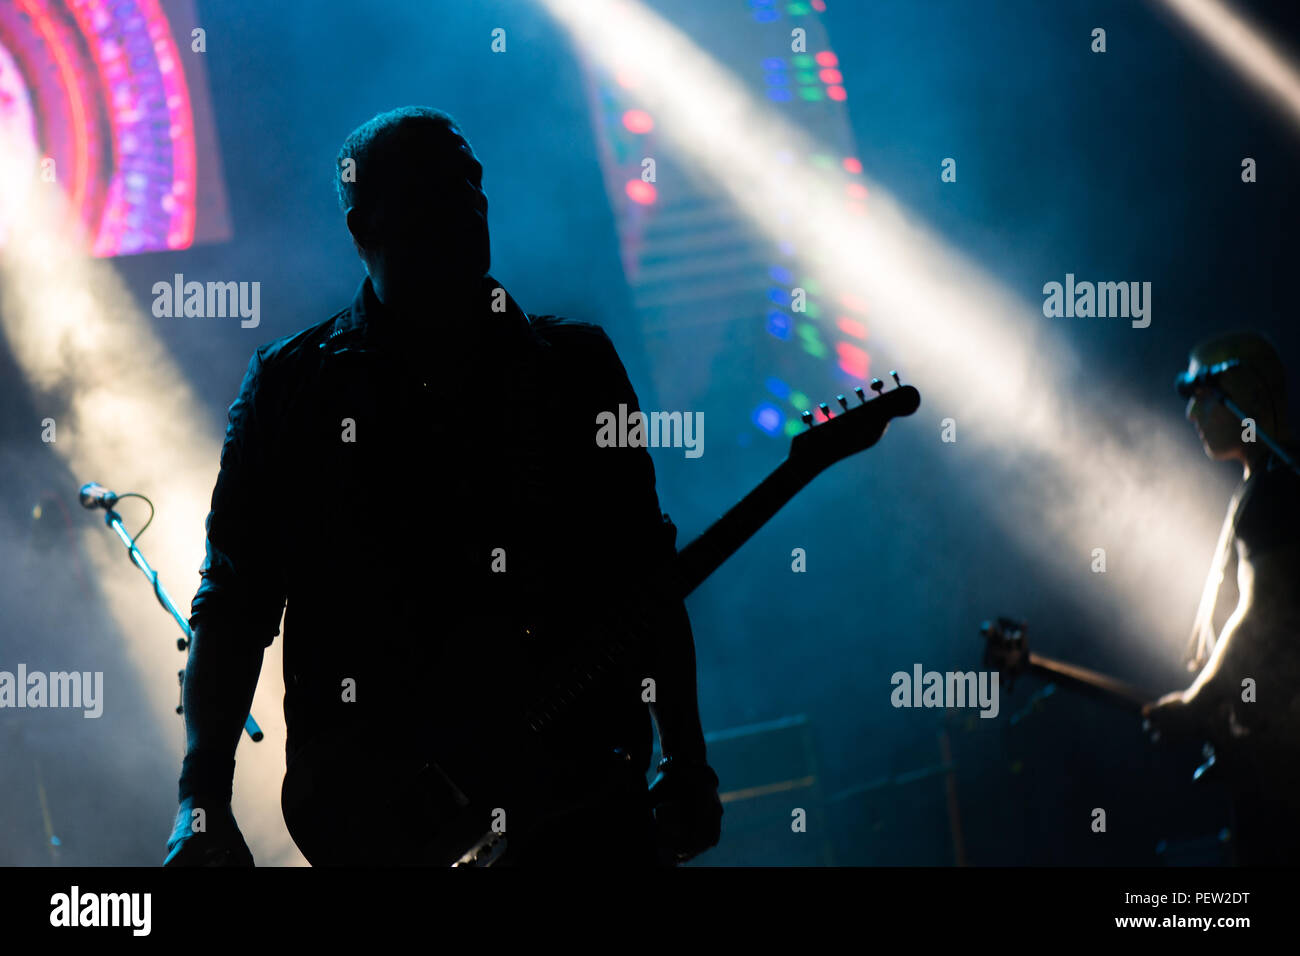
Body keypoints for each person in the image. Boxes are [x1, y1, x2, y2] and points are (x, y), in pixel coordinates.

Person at [162, 106, 721, 867]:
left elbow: (644, 580)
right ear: (364, 229)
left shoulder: (573, 368)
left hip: (581, 799)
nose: (465, 201)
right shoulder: (292, 392)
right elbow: (233, 603)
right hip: (385, 815)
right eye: (431, 188)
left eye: (471, 180)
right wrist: (202, 799)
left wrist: (686, 758)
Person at [1143, 331, 1300, 865]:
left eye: (1202, 397)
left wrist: (1199, 699)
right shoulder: (1265, 487)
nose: (1191, 415)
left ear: (1243, 394)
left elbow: (1263, 615)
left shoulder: (1277, 490)